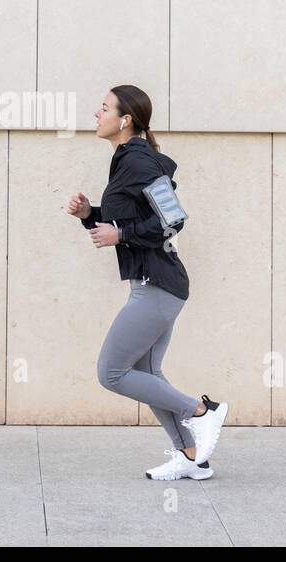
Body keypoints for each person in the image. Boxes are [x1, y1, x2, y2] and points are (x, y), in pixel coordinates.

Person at [65, 85, 228, 480]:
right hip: (154, 284)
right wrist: (92, 215)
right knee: (148, 375)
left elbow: (172, 218)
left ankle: (203, 411)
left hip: (159, 285)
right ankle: (191, 457)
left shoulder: (138, 161)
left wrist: (120, 235)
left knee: (112, 373)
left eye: (103, 108)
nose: (96, 114)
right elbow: (136, 215)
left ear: (125, 120)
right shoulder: (126, 160)